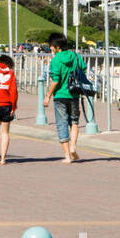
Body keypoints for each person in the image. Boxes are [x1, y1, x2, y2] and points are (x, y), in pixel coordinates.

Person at [43, 34, 85, 163]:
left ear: (57, 47)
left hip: (60, 96)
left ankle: (67, 156)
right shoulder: (77, 57)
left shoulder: (55, 60)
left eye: (51, 46)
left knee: (62, 124)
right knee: (74, 122)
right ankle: (73, 146)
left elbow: (55, 81)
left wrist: (48, 96)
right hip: (74, 94)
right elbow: (83, 70)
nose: (51, 48)